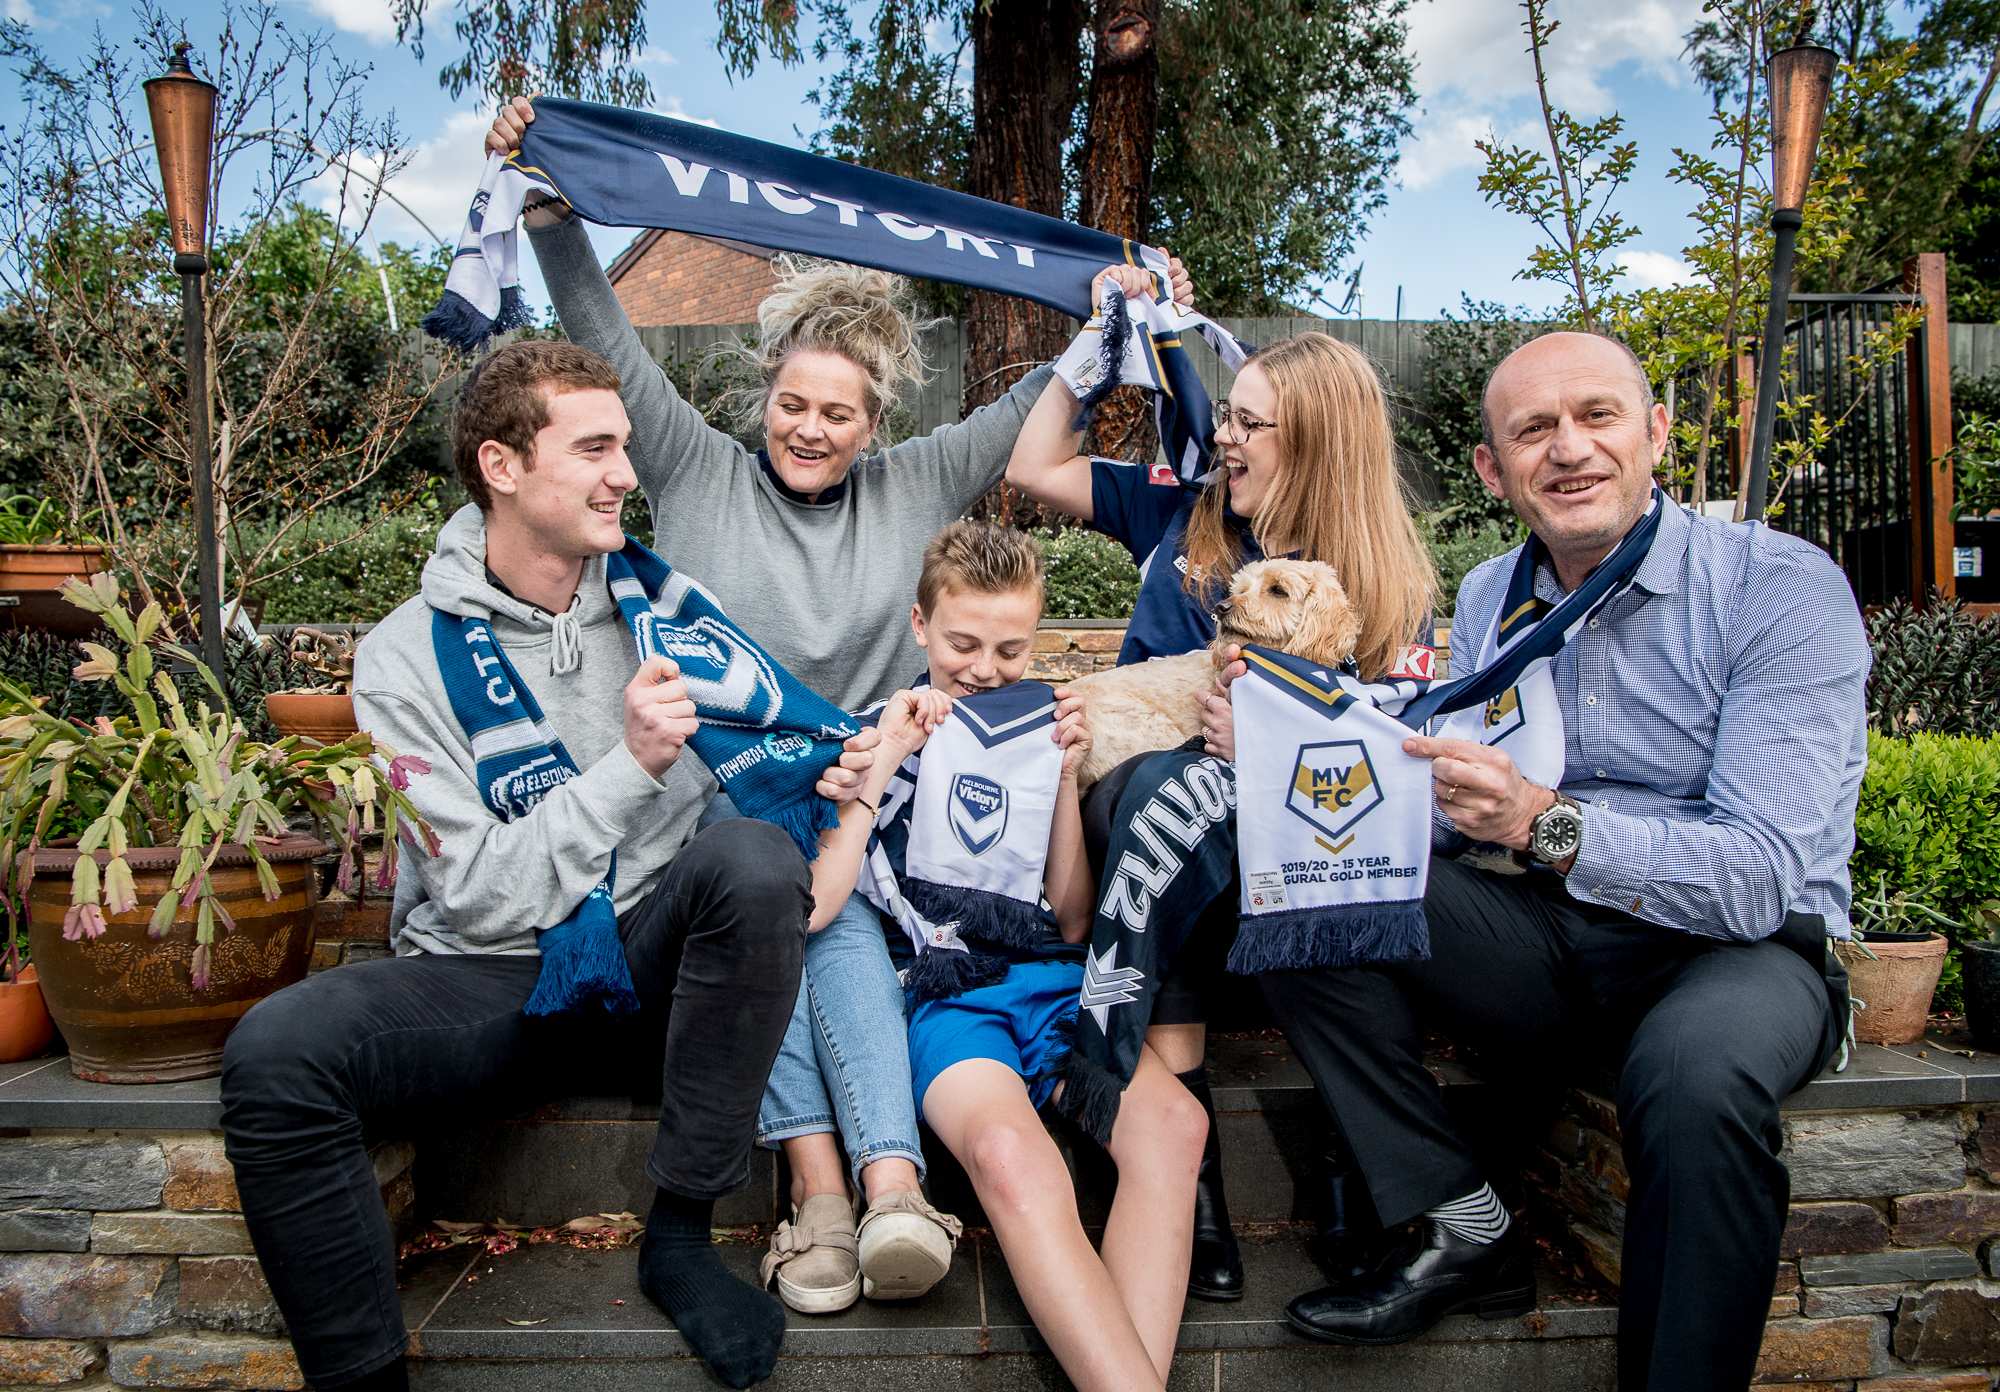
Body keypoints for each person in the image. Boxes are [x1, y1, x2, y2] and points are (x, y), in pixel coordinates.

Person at [481, 102, 1188, 1302]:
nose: (810, 429)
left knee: (837, 901)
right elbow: (601, 331)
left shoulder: (914, 485)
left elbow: (1030, 406)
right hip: (707, 818)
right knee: (775, 886)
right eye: (793, 404)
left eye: (839, 412)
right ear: (765, 396)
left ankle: (862, 1195)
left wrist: (1120, 305)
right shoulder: (692, 466)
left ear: (873, 424)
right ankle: (849, 1184)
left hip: (868, 803)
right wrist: (548, 197)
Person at [219, 340, 843, 1390]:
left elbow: (770, 748)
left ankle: (679, 1239)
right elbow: (471, 893)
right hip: (493, 977)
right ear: (502, 467)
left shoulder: (666, 609)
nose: (625, 475)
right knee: (275, 1054)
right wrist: (629, 767)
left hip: (648, 971)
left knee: (751, 858)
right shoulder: (405, 656)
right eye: (594, 449)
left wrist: (847, 752)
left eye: (625, 447)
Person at [1255, 330, 1865, 1391]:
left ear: (1655, 434)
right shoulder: (1492, 591)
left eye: (1597, 416)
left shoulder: (1775, 587)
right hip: (1551, 925)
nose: (1569, 449)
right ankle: (1463, 1221)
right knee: (1306, 883)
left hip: (1738, 952)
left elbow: (1762, 874)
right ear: (1493, 470)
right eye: (1533, 430)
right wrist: (1300, 747)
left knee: (1695, 1083)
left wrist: (1542, 821)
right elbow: (1459, 797)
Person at [1004, 282, 1437, 1300]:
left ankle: (1344, 1164)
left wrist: (1271, 749)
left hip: (1286, 846)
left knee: (1214, 809)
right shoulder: (1182, 512)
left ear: (1315, 443)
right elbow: (1032, 466)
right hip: (1142, 819)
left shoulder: (1384, 585)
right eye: (1227, 417)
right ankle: (1185, 1172)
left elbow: (1391, 762)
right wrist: (1101, 338)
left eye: (1248, 424)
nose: (1224, 438)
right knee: (1165, 797)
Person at [847, 520, 1208, 1392]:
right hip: (947, 995)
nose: (985, 669)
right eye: (963, 644)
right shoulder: (881, 733)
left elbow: (1076, 919)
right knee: (1012, 1156)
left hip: (1052, 982)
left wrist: (1063, 777)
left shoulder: (1042, 728)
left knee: (1175, 1124)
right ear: (920, 626)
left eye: (1011, 650)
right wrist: (888, 758)